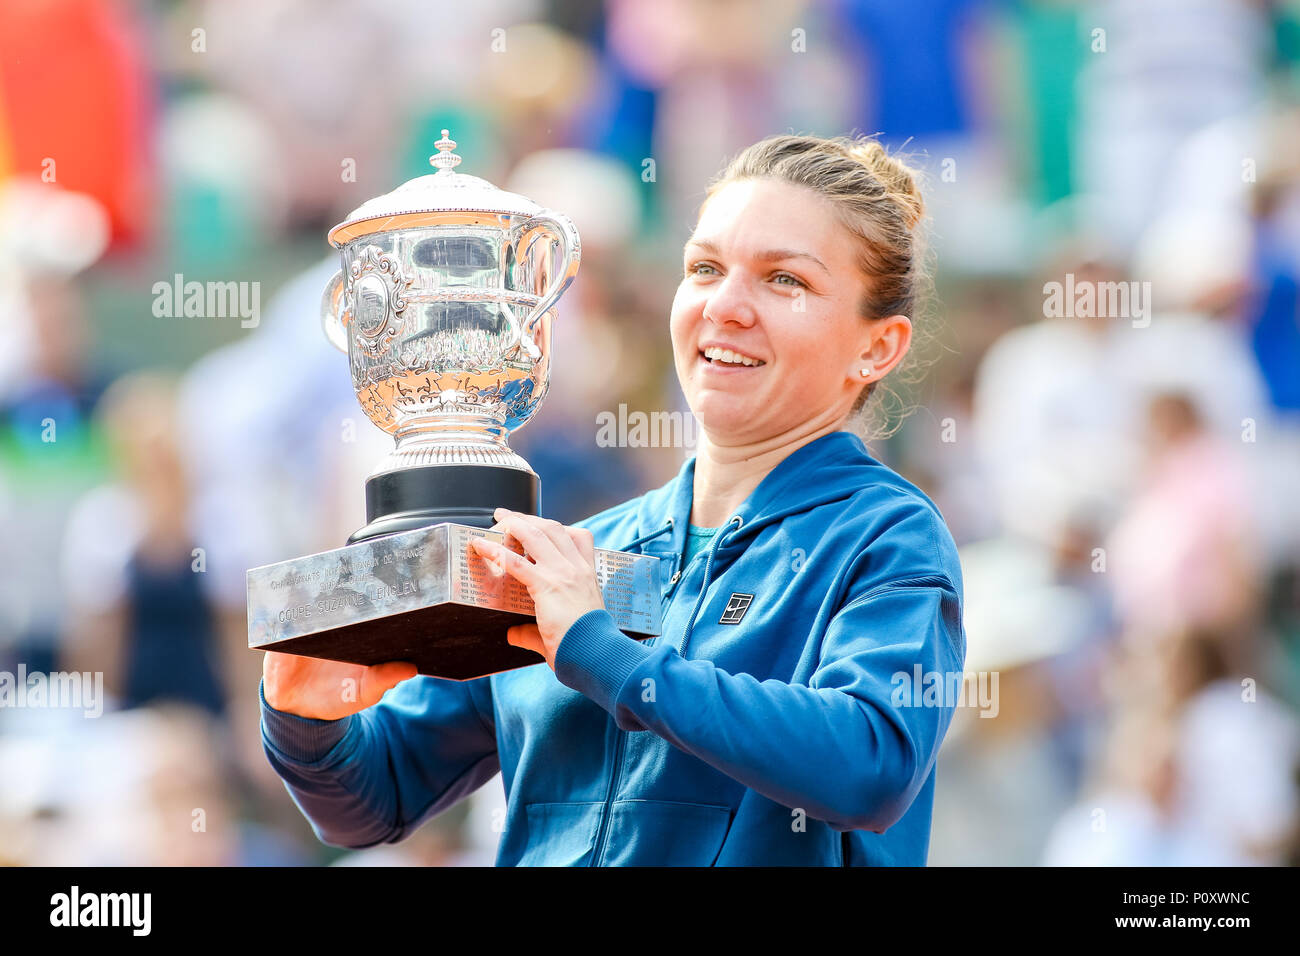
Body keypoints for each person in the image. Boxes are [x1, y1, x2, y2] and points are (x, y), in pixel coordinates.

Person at [259, 133, 967, 866]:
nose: (725, 305)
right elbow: (375, 798)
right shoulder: (585, 553)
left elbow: (869, 764)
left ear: (877, 348)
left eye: (785, 280)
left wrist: (604, 655)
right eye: (705, 268)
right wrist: (306, 720)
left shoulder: (887, 536)